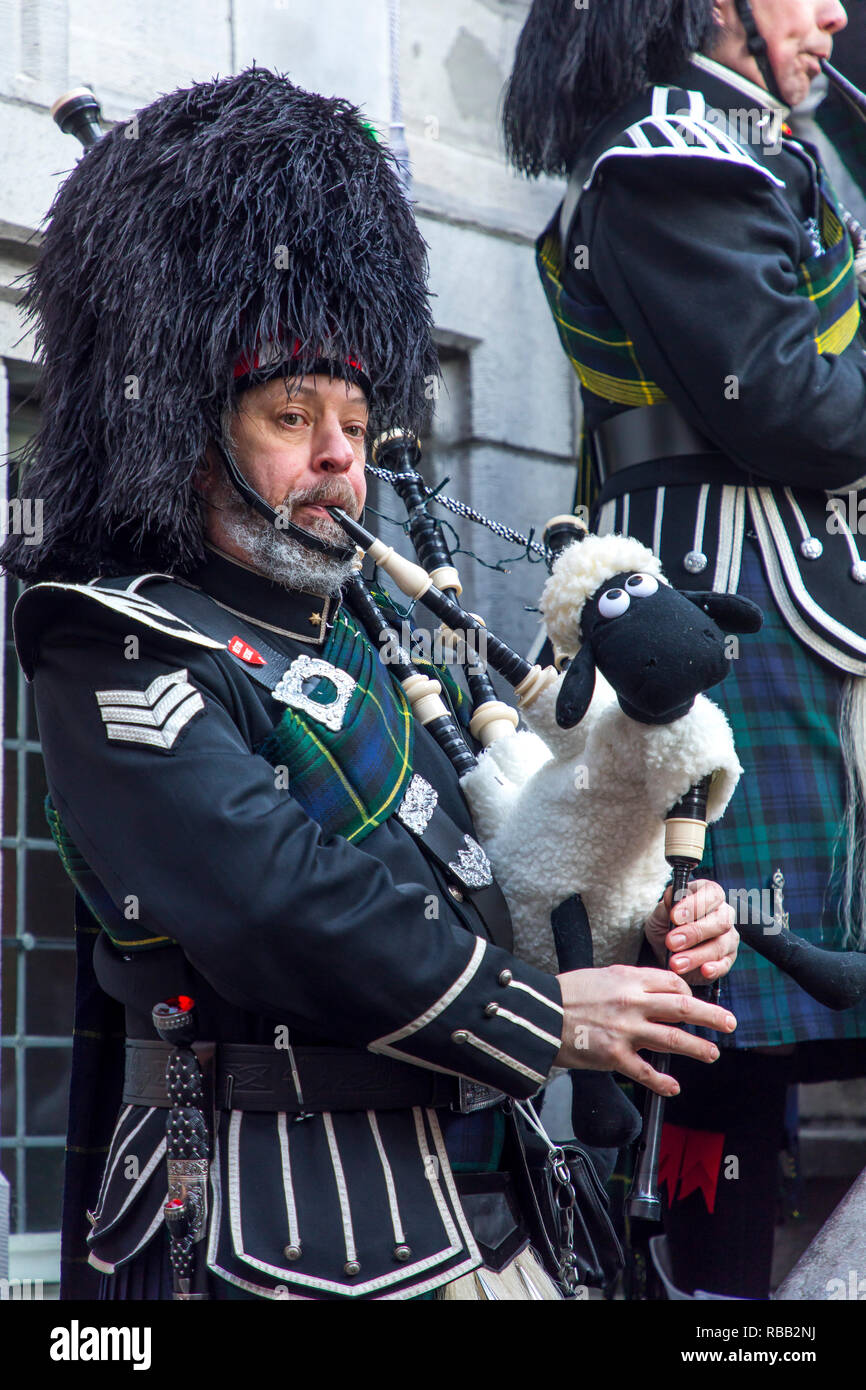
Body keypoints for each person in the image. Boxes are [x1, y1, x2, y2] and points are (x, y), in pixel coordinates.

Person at [3, 69, 738, 1302]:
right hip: (252, 1223)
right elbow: (275, 899)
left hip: (483, 1204)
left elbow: (488, 883)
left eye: (354, 416)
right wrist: (544, 1017)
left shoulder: (357, 636)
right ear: (189, 431)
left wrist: (639, 916)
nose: (340, 453)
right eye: (293, 414)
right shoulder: (105, 638)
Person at [504, 0, 866, 1299]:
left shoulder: (755, 144)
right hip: (744, 616)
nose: (833, 11)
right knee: (703, 1028)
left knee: (728, 1026)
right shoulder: (674, 148)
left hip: (792, 602)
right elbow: (794, 407)